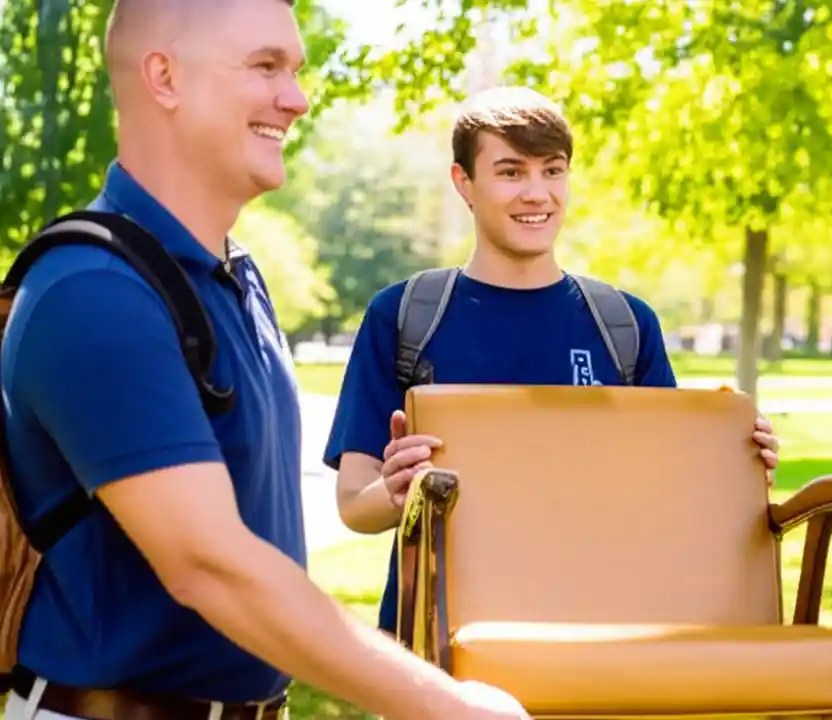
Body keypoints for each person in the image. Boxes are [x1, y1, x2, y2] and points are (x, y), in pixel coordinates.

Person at [1, 1, 529, 718]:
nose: (298, 97)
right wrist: (447, 704)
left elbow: (254, 527)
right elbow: (211, 567)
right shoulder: (95, 290)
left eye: (297, 69)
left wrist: (391, 497)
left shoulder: (235, 278)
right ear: (164, 77)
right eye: (265, 66)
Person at [323, 86, 782, 636]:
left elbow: (666, 498)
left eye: (553, 170)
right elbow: (355, 503)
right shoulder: (404, 316)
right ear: (463, 183)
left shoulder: (626, 325)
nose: (536, 193)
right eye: (511, 172)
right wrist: (397, 493)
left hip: (598, 636)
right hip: (436, 642)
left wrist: (735, 464)